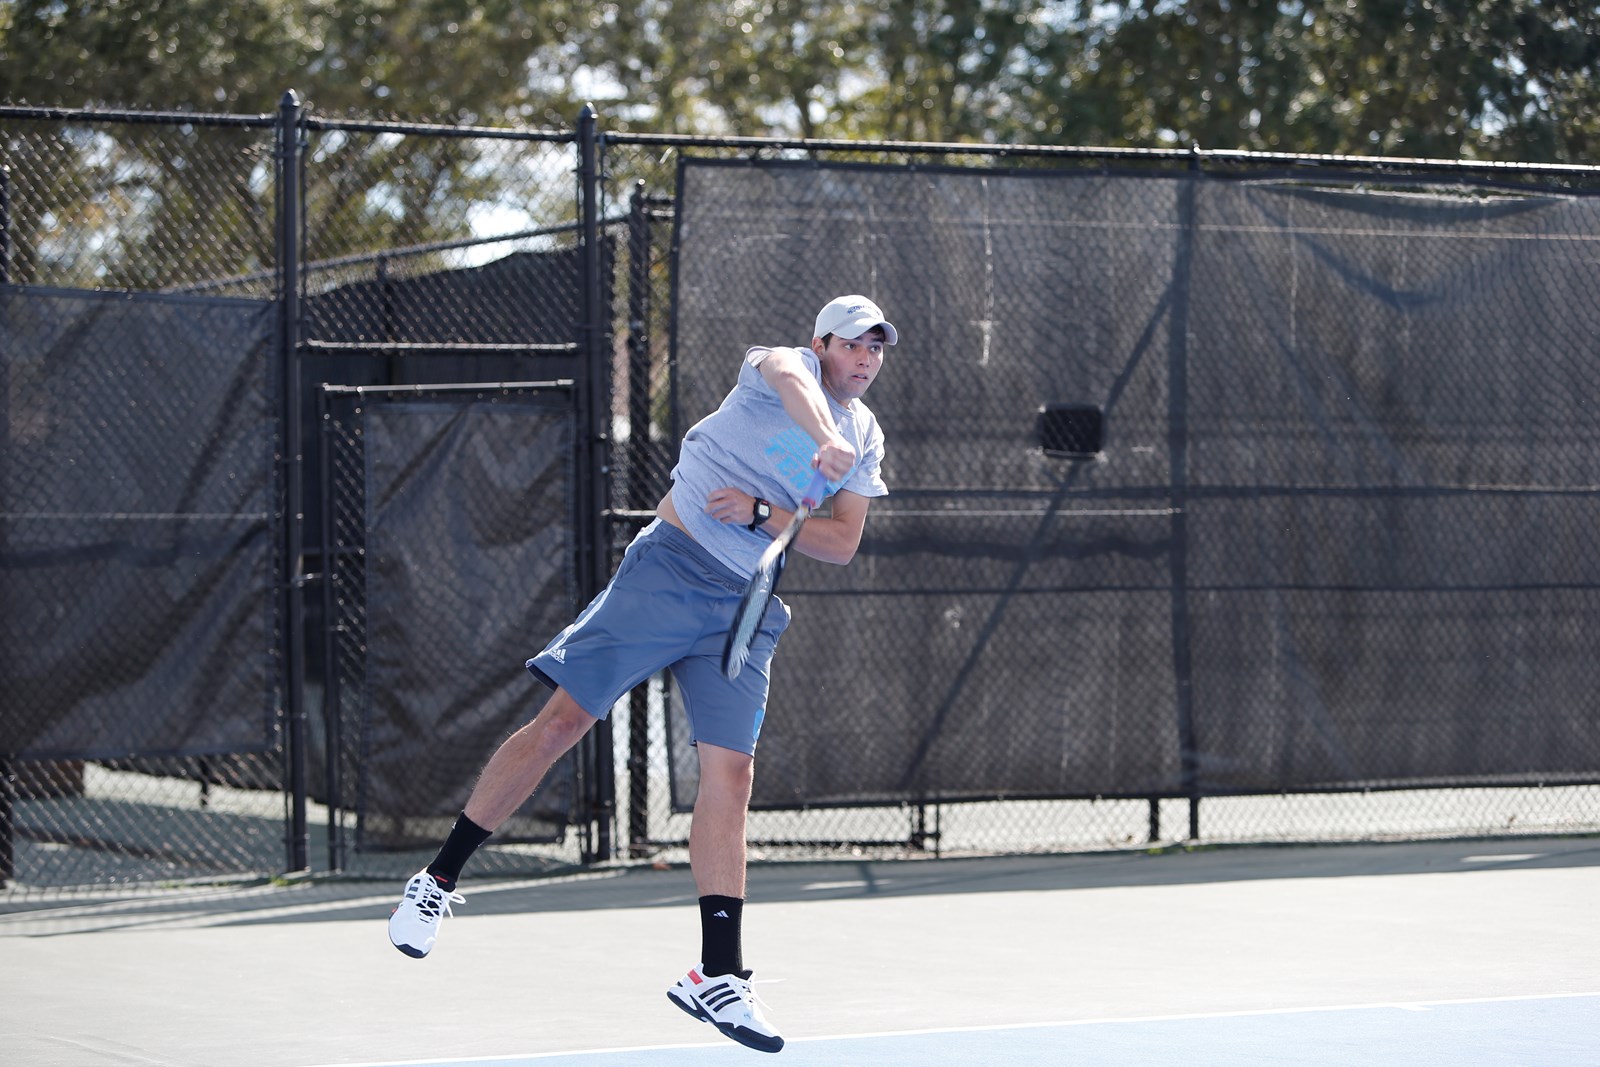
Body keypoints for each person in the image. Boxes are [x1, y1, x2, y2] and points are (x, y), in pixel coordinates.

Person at [387, 294, 899, 1054]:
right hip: (668, 570)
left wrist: (763, 512)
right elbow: (792, 377)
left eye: (876, 349)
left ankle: (716, 974)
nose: (864, 358)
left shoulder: (867, 435)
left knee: (731, 778)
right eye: (853, 344)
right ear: (821, 341)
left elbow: (841, 541)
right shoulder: (776, 370)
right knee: (563, 720)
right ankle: (437, 880)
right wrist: (821, 437)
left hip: (746, 603)